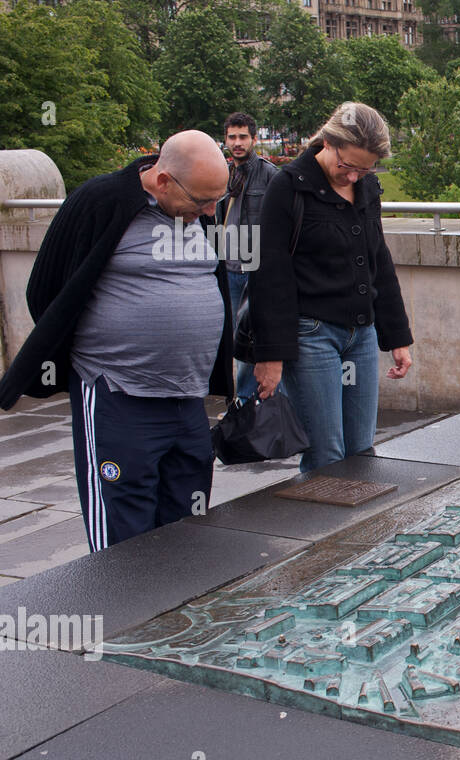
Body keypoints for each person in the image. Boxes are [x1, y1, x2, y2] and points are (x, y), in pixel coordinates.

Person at [0, 131, 235, 550]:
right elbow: (45, 289)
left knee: (187, 525)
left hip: (187, 398)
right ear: (163, 181)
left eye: (216, 199)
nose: (210, 211)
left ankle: (179, 614)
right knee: (123, 538)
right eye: (201, 201)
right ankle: (124, 617)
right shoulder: (100, 200)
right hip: (117, 393)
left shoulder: (196, 208)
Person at [247, 102, 413, 473]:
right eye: (347, 165)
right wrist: (270, 355)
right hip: (311, 334)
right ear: (328, 142)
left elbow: (378, 262)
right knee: (327, 454)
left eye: (365, 168)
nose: (354, 176)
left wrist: (397, 336)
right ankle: (327, 531)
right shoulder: (288, 187)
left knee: (361, 450)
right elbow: (268, 272)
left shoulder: (367, 186)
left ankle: (362, 531)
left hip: (362, 334)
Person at [216, 112, 279, 402]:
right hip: (226, 267)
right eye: (232, 137)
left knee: (251, 338)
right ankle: (242, 403)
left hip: (256, 268)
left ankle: (250, 402)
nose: (237, 143)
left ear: (254, 139)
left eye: (243, 137)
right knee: (233, 338)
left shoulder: (269, 175)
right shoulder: (221, 173)